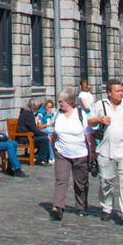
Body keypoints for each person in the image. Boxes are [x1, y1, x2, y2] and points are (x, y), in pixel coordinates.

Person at [88, 79, 123, 226]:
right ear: (109, 93)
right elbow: (89, 122)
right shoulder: (100, 105)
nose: (121, 94)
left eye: (121, 91)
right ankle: (106, 207)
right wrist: (99, 119)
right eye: (117, 91)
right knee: (106, 181)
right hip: (105, 151)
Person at [49, 87, 93, 220]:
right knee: (61, 180)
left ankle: (81, 207)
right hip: (62, 153)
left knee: (80, 183)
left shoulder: (80, 115)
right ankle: (58, 207)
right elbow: (54, 134)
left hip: (80, 154)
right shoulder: (58, 115)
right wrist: (54, 150)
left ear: (68, 102)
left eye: (61, 101)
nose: (59, 104)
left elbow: (88, 136)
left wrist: (92, 152)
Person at [16, 98, 52, 165]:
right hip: (24, 137)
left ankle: (38, 155)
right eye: (37, 107)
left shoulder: (26, 112)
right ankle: (40, 159)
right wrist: (45, 135)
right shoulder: (28, 114)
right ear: (34, 107)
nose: (38, 109)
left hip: (26, 135)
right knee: (44, 139)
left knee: (43, 137)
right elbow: (34, 130)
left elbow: (33, 129)